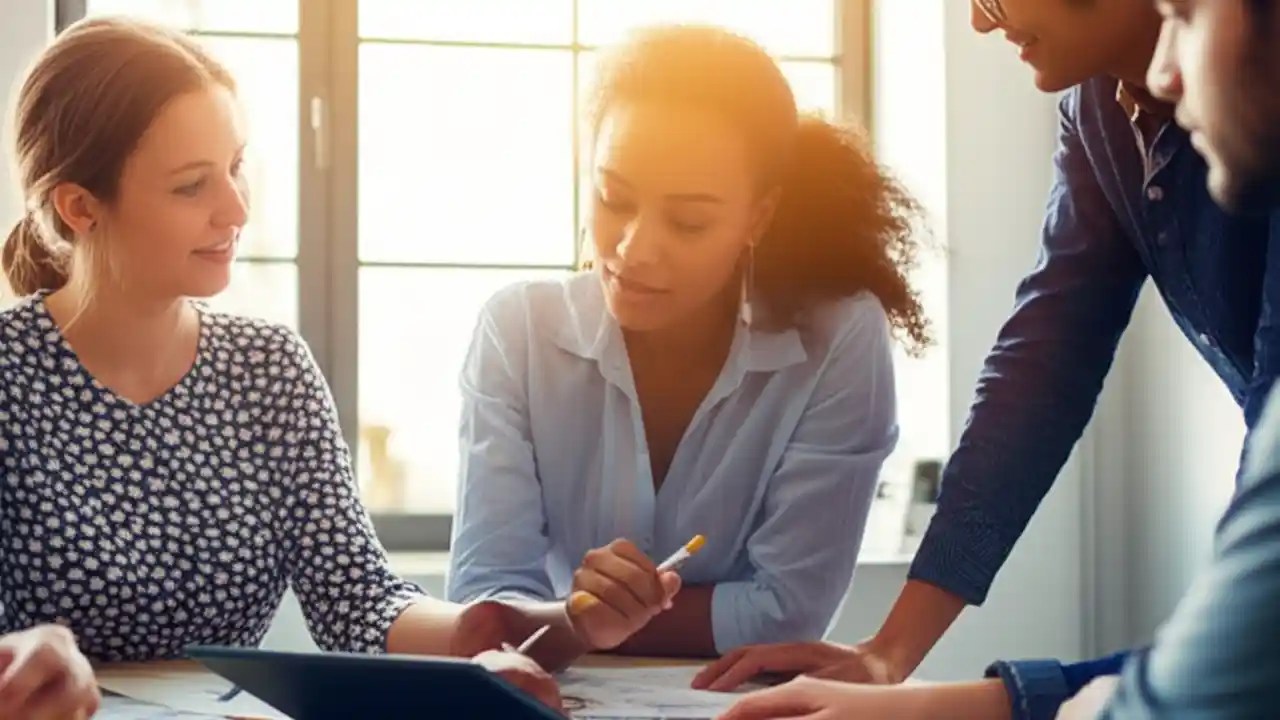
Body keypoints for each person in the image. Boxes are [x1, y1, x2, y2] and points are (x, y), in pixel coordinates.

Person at [695, 0, 1280, 704]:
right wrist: (889, 654)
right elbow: (1044, 362)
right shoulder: (1098, 112)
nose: (978, 21)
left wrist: (961, 705)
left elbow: (1224, 671)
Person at [0, 17, 557, 719]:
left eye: (235, 167)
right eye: (191, 186)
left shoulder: (269, 368)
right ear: (80, 206)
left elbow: (358, 599)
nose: (235, 208)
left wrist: (488, 640)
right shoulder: (8, 376)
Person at [446, 24, 929, 661]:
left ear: (757, 217)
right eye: (613, 197)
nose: (633, 249)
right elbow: (483, 600)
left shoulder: (837, 338)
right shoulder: (517, 333)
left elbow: (790, 611)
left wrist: (577, 622)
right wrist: (571, 620)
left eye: (689, 221)